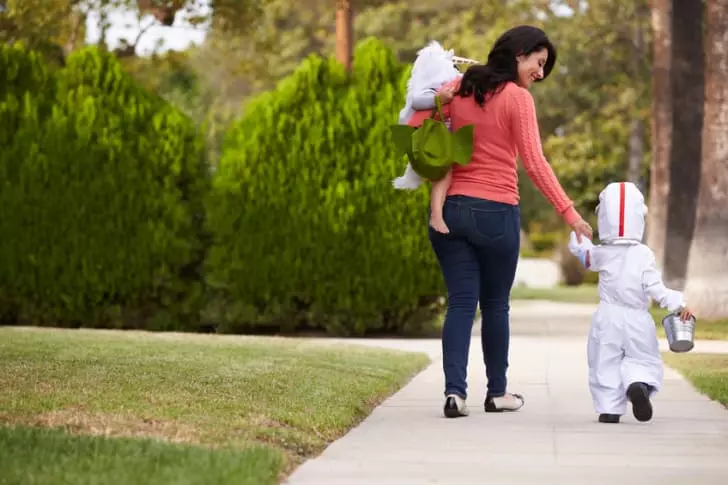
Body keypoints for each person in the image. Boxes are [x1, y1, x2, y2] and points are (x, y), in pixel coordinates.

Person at [411, 25, 593, 418]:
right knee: (495, 306)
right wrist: (570, 213)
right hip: (496, 212)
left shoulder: (459, 85)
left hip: (452, 209)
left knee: (460, 304)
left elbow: (421, 114)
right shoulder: (517, 99)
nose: (540, 74)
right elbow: (534, 162)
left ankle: (454, 394)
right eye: (539, 63)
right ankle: (497, 393)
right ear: (519, 54)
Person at [567, 182, 694, 424]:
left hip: (607, 317)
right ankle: (638, 384)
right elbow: (656, 289)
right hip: (637, 319)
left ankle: (609, 409)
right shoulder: (643, 254)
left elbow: (584, 255)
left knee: (604, 361)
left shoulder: (602, 253)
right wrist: (678, 304)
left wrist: (578, 235)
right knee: (642, 358)